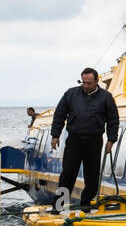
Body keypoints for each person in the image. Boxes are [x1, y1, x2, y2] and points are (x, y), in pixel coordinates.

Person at [50, 68, 119, 208]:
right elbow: (59, 115)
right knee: (68, 173)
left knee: (92, 174)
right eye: (84, 82)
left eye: (89, 83)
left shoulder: (106, 97)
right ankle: (59, 204)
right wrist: (55, 135)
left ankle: (86, 203)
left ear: (97, 81)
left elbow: (113, 120)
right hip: (74, 139)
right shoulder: (71, 94)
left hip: (94, 140)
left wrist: (111, 140)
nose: (85, 86)